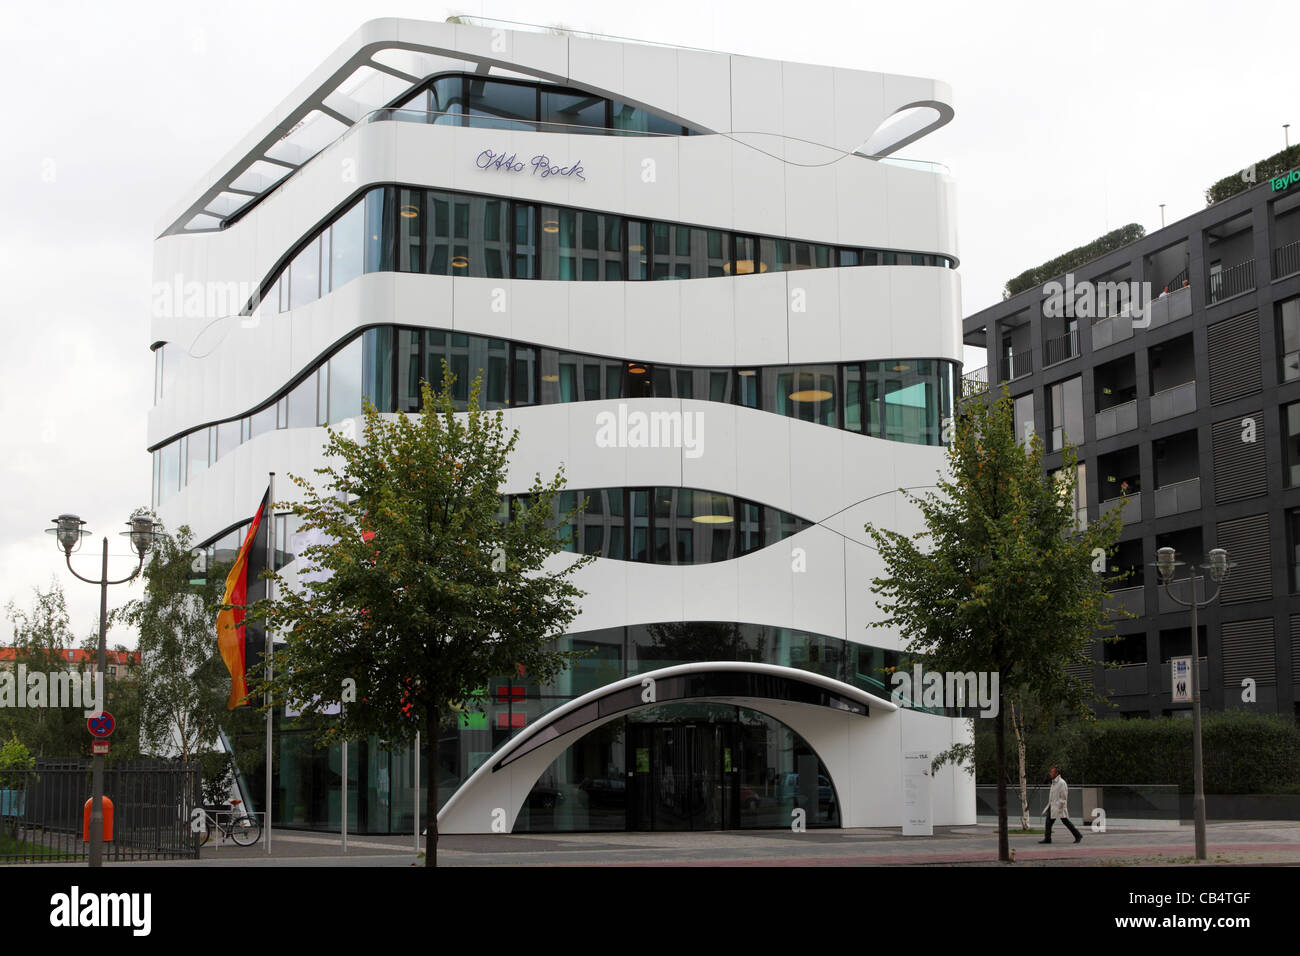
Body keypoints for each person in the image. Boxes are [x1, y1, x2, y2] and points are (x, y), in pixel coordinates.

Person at [1039, 765, 1082, 844]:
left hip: (1059, 807)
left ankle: (1078, 835)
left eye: (1052, 772)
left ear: (1056, 773)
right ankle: (1047, 838)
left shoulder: (1062, 783)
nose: (1050, 773)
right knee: (1048, 822)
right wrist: (1050, 806)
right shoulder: (1054, 782)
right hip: (1053, 806)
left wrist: (1059, 808)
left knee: (1065, 822)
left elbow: (1064, 797)